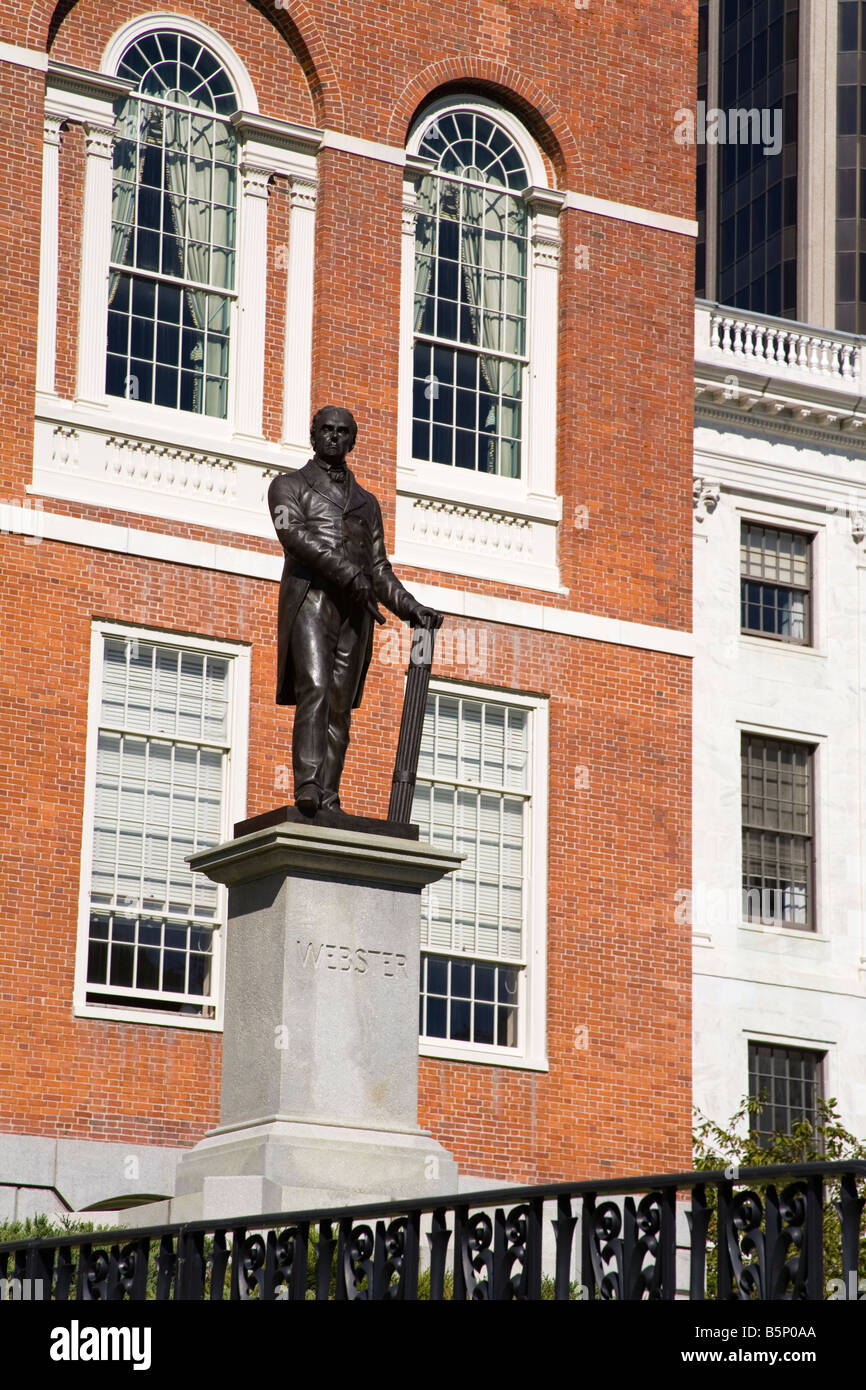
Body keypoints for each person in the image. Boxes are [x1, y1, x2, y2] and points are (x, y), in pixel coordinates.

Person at [268, 405, 442, 814]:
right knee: (315, 687)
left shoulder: (367, 503)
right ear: (313, 435)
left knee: (340, 707)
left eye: (343, 432)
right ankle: (308, 785)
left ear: (352, 440)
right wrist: (348, 572)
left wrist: (411, 608)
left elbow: (379, 568)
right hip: (312, 600)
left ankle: (329, 794)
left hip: (355, 612)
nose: (334, 437)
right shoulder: (288, 486)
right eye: (326, 430)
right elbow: (291, 534)